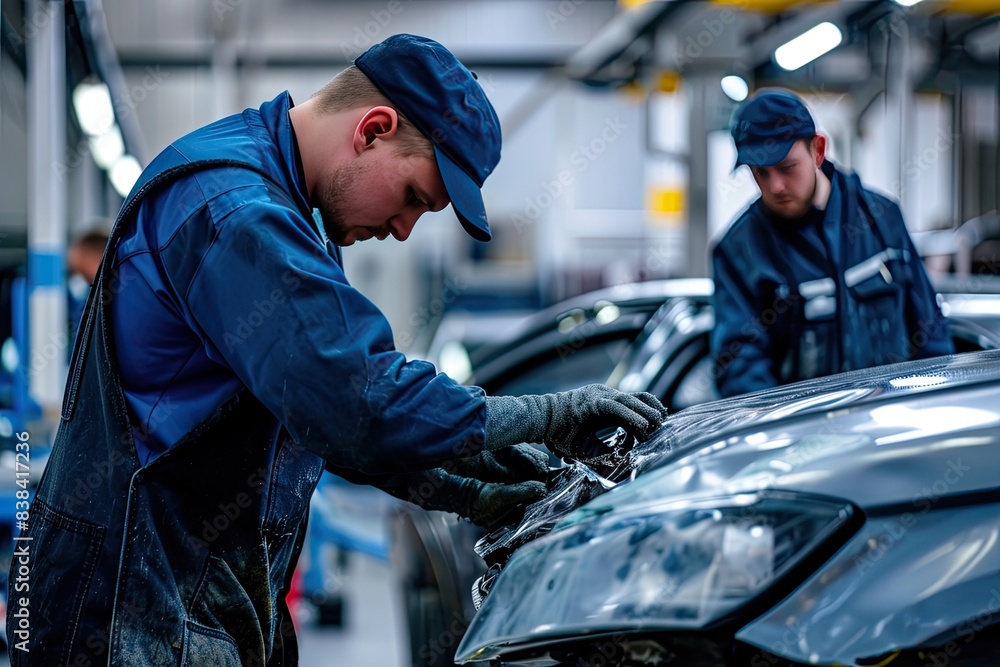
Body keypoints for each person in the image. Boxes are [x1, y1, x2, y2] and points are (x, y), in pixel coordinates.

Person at [9, 34, 667, 665]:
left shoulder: (287, 213)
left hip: (181, 588)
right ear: (373, 128)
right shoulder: (235, 210)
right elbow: (362, 403)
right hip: (126, 606)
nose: (405, 229)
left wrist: (478, 487)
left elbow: (329, 424)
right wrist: (550, 416)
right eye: (414, 197)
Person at [711, 89, 953, 398]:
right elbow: (740, 370)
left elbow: (931, 335)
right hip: (800, 438)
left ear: (818, 150)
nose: (775, 186)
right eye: (760, 173)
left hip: (892, 429)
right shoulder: (739, 252)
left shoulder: (881, 219)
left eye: (786, 167)